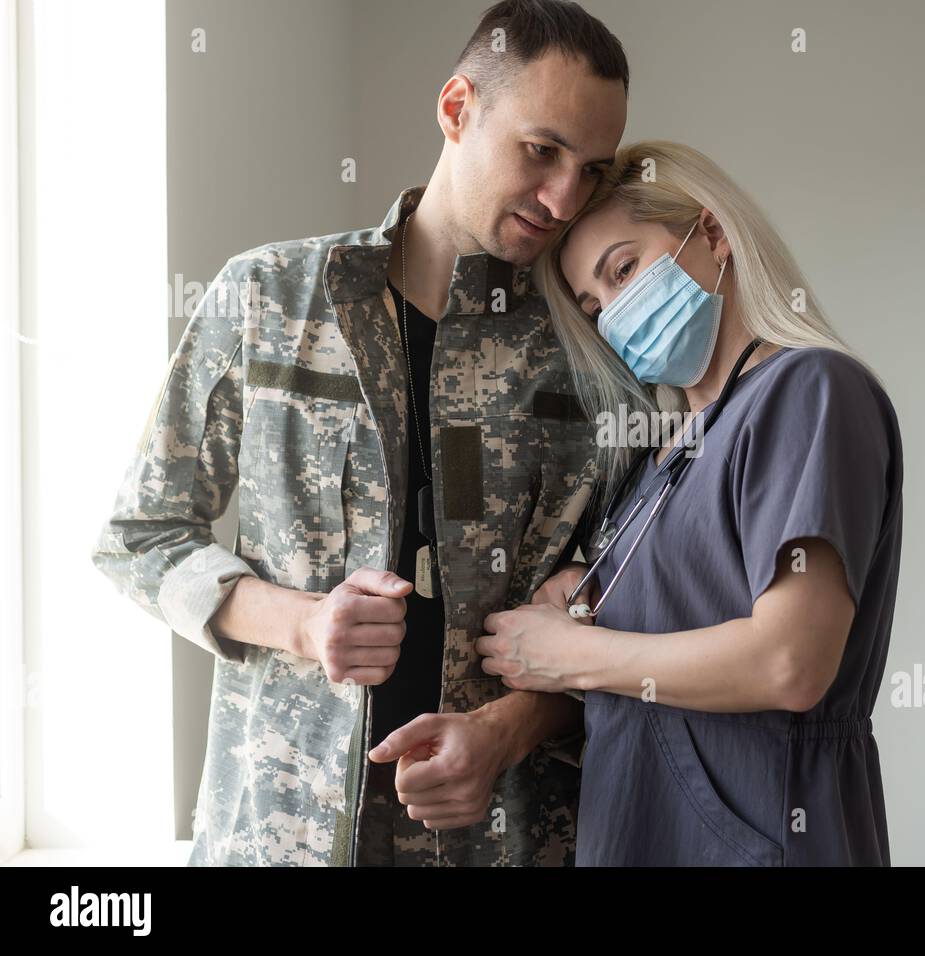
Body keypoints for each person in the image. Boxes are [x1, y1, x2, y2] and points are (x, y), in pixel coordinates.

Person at [91, 0, 625, 866]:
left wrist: (507, 730)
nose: (565, 198)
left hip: (503, 838)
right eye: (541, 150)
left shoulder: (588, 355)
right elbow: (138, 537)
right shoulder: (265, 298)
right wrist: (302, 624)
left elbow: (626, 624)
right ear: (457, 109)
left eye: (591, 170)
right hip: (278, 833)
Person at [470, 141, 904, 865]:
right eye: (593, 304)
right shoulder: (664, 453)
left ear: (711, 234)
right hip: (638, 829)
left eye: (624, 269)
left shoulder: (808, 392)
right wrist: (589, 595)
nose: (614, 313)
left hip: (763, 829)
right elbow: (690, 604)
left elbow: (791, 662)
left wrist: (572, 654)